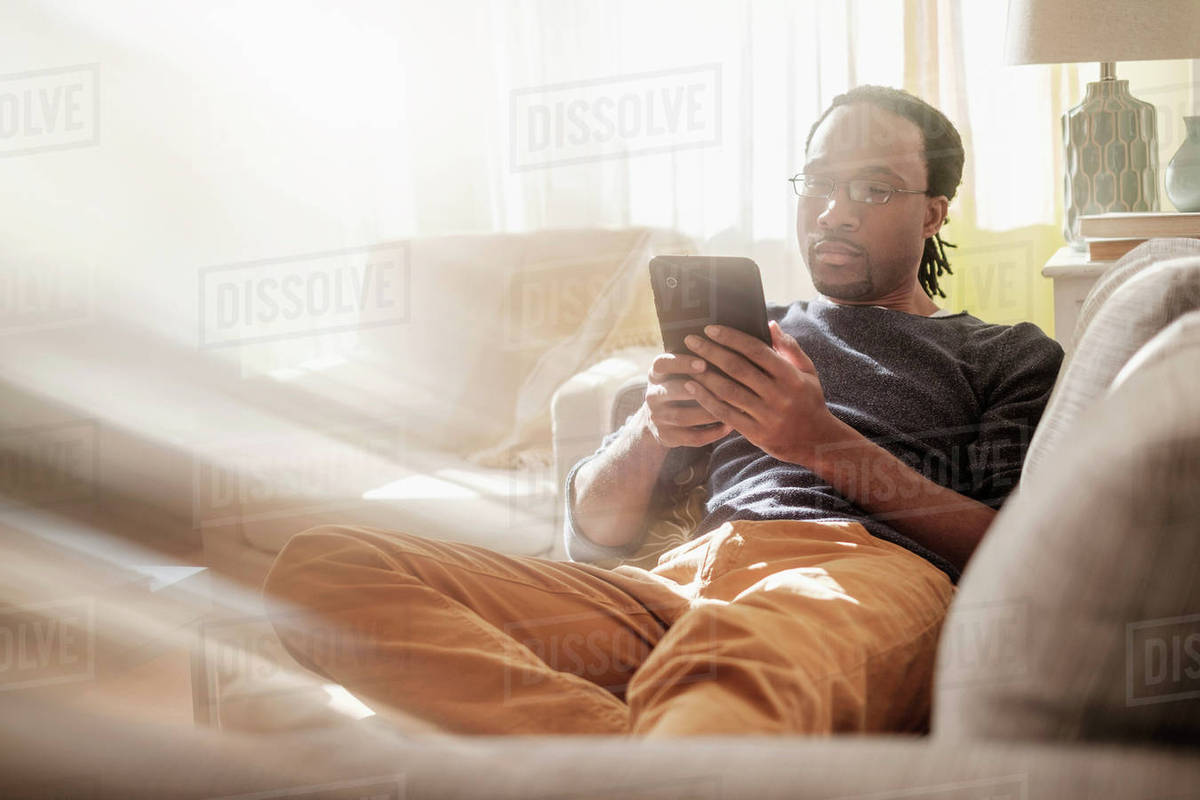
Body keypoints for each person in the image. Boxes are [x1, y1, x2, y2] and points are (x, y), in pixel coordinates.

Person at [262, 85, 1064, 738]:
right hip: (677, 582)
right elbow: (593, 531)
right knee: (319, 569)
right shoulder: (758, 331)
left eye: (872, 189)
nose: (833, 211)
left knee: (719, 689)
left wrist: (819, 441)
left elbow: (1013, 548)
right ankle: (641, 762)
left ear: (933, 212)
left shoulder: (1003, 353)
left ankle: (666, 750)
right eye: (818, 182)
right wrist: (652, 431)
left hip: (856, 576)